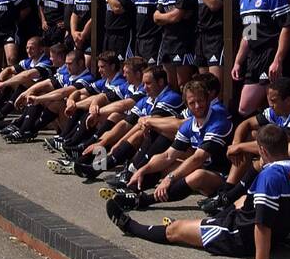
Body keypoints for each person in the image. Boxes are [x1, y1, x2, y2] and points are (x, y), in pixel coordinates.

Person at [106, 124, 290, 259]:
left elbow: (261, 225)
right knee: (242, 200)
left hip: (239, 237)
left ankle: (130, 226)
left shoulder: (269, 176)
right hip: (267, 232)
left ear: (263, 151)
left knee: (175, 230)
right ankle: (209, 220)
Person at [99, 77, 231, 210]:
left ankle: (144, 201)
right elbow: (168, 155)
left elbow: (198, 159)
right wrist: (142, 170)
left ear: (208, 99)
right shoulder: (190, 124)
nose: (197, 106)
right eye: (192, 103)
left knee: (196, 175)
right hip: (204, 169)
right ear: (186, 104)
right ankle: (131, 189)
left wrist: (170, 178)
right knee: (159, 161)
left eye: (200, 101)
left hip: (221, 178)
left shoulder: (218, 122)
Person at [204, 76, 290, 215]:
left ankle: (229, 197)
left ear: (288, 101)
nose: (270, 105)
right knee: (251, 135)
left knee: (260, 154)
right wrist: (236, 143)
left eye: (273, 101)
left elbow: (278, 144)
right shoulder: (279, 110)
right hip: (284, 160)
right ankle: (226, 192)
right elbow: (246, 123)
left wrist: (240, 147)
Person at [231, 0, 290, 117]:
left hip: (270, 53)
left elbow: (286, 27)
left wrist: (277, 59)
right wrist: (238, 61)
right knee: (244, 108)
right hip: (254, 56)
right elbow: (248, 32)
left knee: (274, 102)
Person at [152, 0, 197, 92]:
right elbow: (155, 17)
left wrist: (166, 17)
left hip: (183, 40)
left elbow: (176, 16)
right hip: (167, 41)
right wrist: (169, 16)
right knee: (170, 85)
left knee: (183, 83)